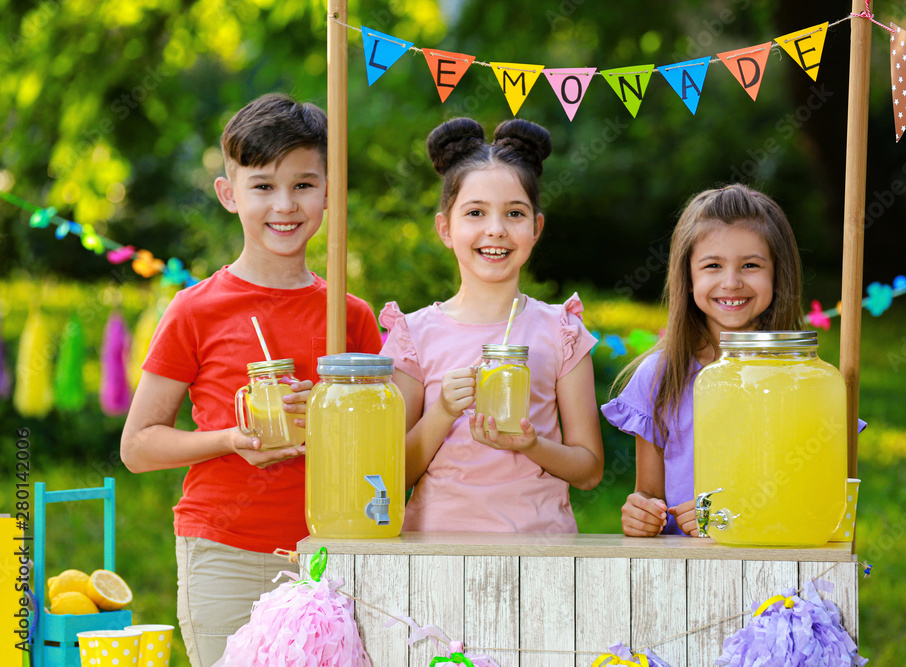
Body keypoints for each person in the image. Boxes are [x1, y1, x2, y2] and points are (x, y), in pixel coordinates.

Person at [120, 93, 382, 667]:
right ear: (228, 194)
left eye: (304, 185)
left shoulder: (352, 316)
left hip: (336, 553)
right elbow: (138, 446)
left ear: (330, 192)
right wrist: (230, 440)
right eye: (262, 186)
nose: (284, 204)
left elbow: (389, 445)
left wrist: (337, 411)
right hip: (226, 550)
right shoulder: (196, 310)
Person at [379, 117, 604, 533]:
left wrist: (532, 444)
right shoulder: (412, 336)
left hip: (539, 554)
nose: (496, 230)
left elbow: (589, 471)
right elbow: (389, 477)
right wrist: (443, 411)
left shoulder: (561, 331)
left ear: (535, 228)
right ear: (446, 228)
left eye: (514, 213)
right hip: (436, 556)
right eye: (475, 213)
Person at [602, 184, 805, 537]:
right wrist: (641, 512)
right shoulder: (660, 377)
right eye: (712, 265)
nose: (731, 282)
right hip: (684, 577)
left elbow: (814, 497)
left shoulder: (801, 380)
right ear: (688, 276)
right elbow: (650, 493)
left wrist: (737, 516)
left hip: (777, 571)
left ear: (778, 271)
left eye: (751, 265)